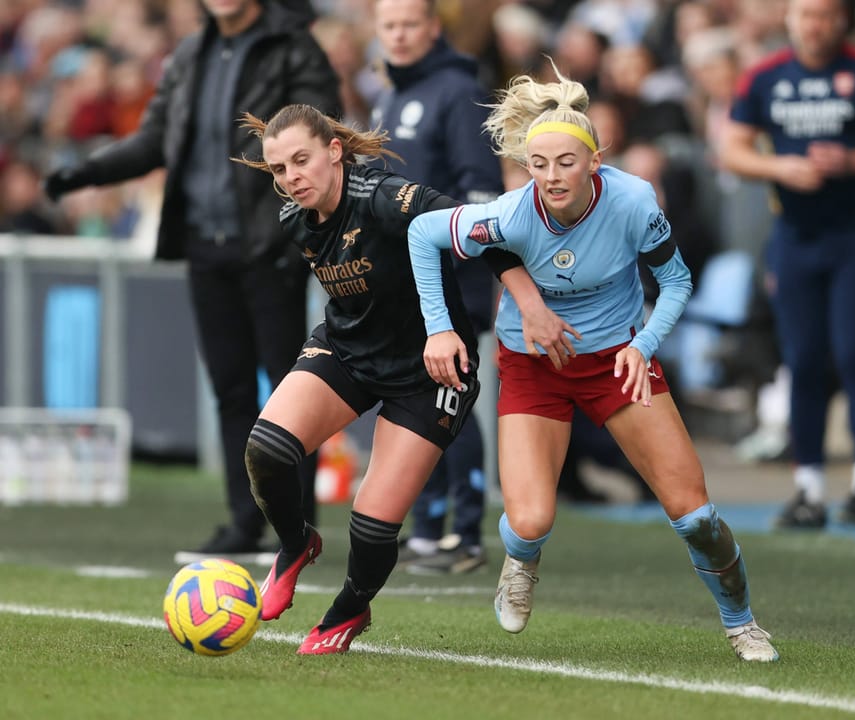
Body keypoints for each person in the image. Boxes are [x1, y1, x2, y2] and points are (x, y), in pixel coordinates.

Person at [406, 66, 780, 662]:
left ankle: (742, 622)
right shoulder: (510, 214)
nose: (552, 177)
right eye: (539, 164)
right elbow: (423, 234)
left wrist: (643, 345)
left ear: (594, 162)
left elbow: (677, 281)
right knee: (528, 521)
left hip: (619, 360)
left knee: (696, 515)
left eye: (566, 162)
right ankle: (520, 564)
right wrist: (440, 329)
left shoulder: (633, 200)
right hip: (532, 365)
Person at [42, 0, 341, 558]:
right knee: (230, 389)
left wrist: (295, 232)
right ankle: (244, 522)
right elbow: (157, 137)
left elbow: (324, 143)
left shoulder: (294, 48)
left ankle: (296, 530)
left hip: (269, 248)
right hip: (207, 246)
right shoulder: (190, 52)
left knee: (291, 388)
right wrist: (88, 172)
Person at [236, 103, 515, 654]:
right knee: (266, 451)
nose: (292, 178)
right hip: (348, 351)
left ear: (334, 152)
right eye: (279, 169)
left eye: (301, 160)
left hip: (428, 371)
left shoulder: (387, 198)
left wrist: (528, 308)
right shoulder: (295, 220)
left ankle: (348, 609)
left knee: (371, 526)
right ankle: (296, 545)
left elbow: (483, 232)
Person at [719, 0, 855, 529]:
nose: (815, 25)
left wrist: (854, 161)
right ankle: (807, 486)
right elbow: (732, 147)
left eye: (825, 15)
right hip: (795, 236)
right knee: (802, 359)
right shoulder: (764, 77)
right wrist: (777, 166)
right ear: (789, 19)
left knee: (854, 353)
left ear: (842, 20)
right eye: (806, 14)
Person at [370, 0, 504, 575]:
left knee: (453, 394)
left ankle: (465, 533)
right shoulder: (389, 95)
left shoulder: (456, 92)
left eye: (407, 25)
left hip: (452, 274)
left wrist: (448, 252)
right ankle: (426, 526)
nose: (397, 36)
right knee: (415, 394)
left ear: (432, 28)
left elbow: (482, 193)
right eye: (388, 27)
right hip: (403, 277)